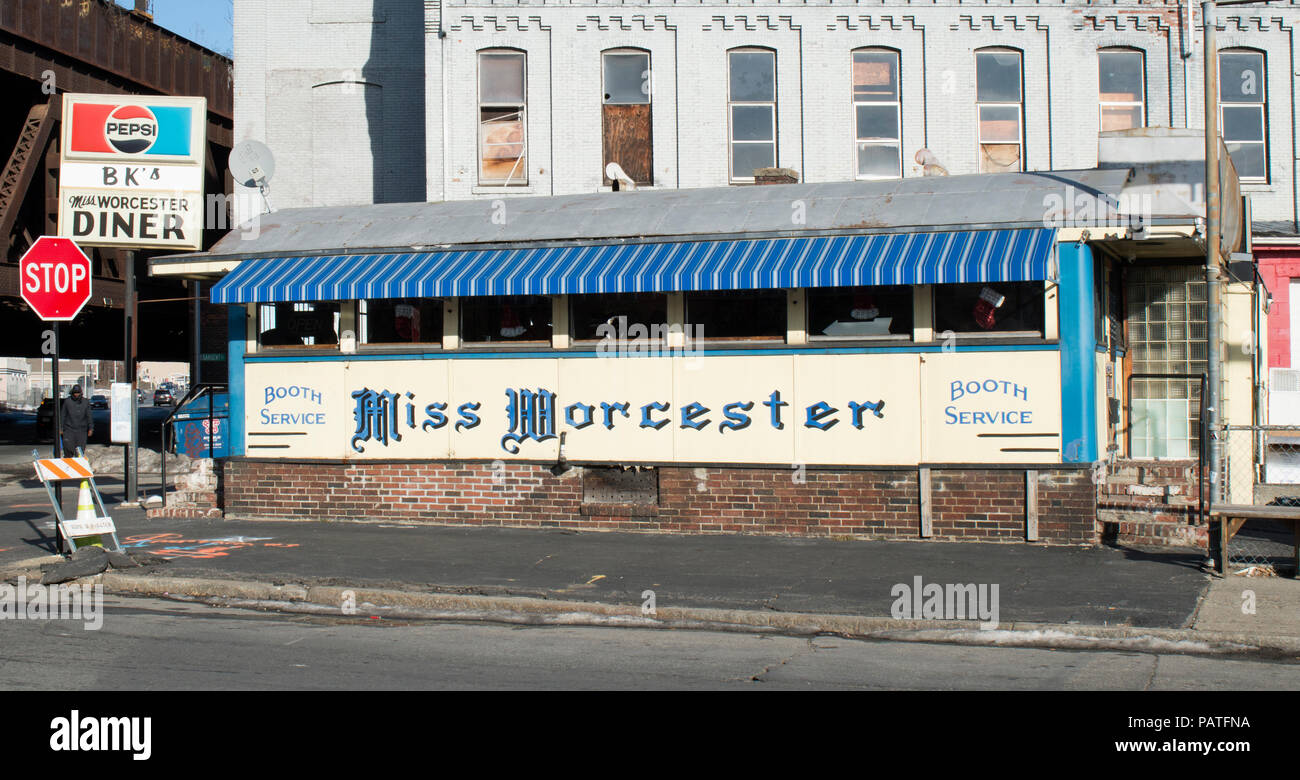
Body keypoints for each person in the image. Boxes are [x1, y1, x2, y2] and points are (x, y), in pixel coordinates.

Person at [60, 385, 93, 458]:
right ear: (72, 393)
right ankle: (68, 465)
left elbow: (89, 415)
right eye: (75, 393)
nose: (76, 394)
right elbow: (63, 415)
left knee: (80, 451)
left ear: (81, 393)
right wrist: (61, 428)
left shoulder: (85, 402)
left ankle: (79, 466)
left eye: (78, 393)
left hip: (82, 429)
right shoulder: (67, 401)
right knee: (68, 448)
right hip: (69, 429)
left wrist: (91, 428)